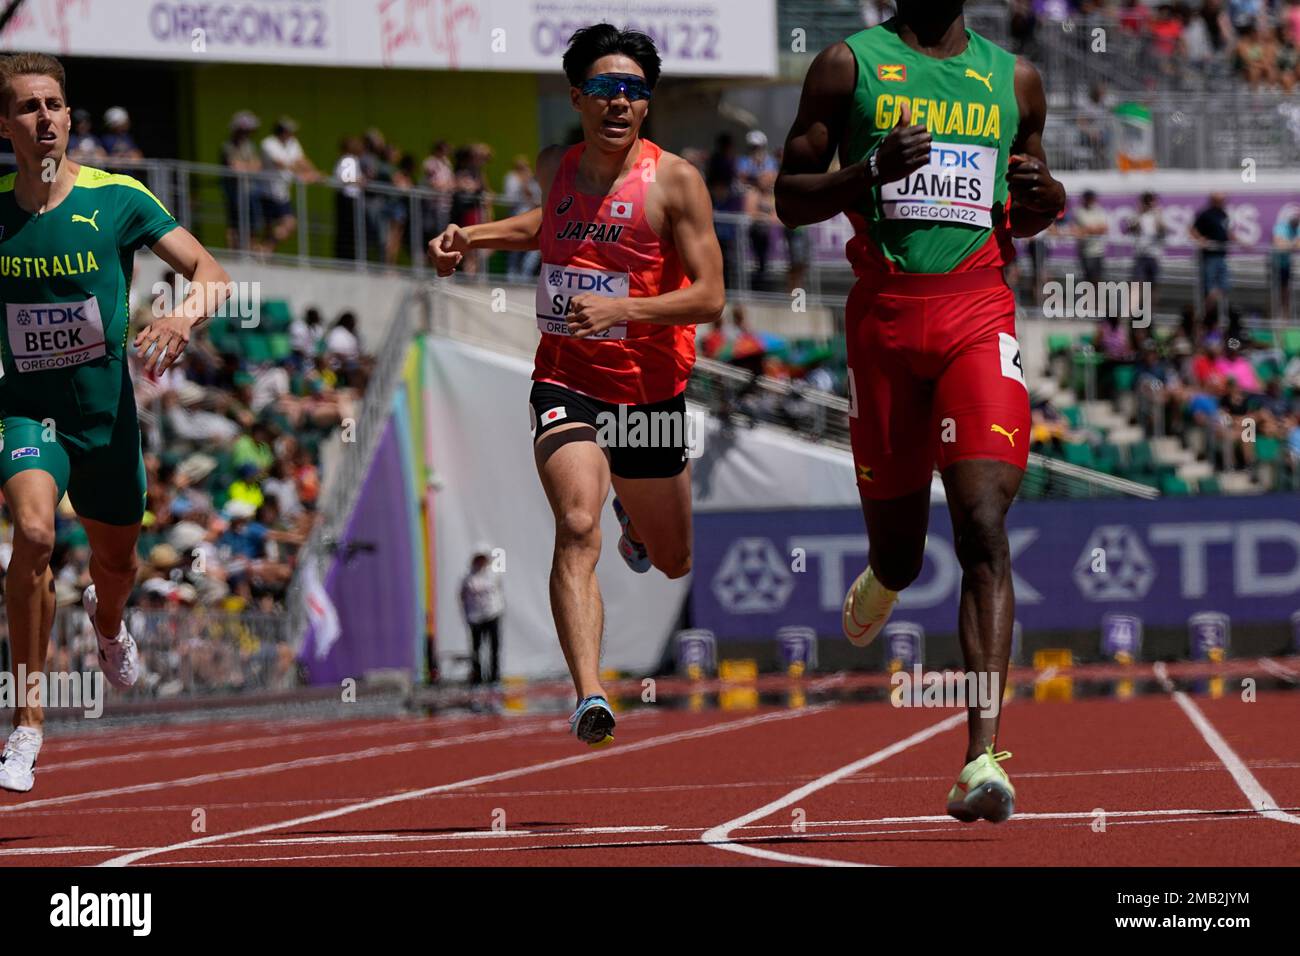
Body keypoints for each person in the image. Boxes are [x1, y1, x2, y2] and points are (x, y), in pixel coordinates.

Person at [775, 0, 1066, 824]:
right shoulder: (847, 65)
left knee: (981, 522)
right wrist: (867, 174)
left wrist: (1052, 195)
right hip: (885, 324)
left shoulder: (1016, 79)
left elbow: (1032, 201)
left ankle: (982, 756)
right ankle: (888, 576)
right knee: (902, 555)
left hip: (978, 313)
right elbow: (788, 200)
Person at [429, 24, 724, 747]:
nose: (618, 102)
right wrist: (474, 236)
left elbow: (712, 295)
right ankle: (590, 692)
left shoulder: (676, 181)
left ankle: (637, 514)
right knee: (576, 525)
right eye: (603, 89)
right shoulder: (554, 164)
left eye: (633, 91)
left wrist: (625, 308)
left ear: (647, 106)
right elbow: (552, 226)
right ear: (577, 98)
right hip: (566, 379)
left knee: (674, 558)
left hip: (649, 396)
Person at [0, 53, 232, 792]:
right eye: (27, 107)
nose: (43, 118)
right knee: (35, 534)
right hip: (28, 412)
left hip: (107, 419)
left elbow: (211, 274)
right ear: (4, 126)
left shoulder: (118, 199)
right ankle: (28, 723)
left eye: (53, 105)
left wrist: (183, 316)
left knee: (116, 568)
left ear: (69, 119)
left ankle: (108, 628)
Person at [258, 116, 319, 254]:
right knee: (272, 226)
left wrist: (314, 172)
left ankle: (264, 250)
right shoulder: (268, 143)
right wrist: (303, 174)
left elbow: (300, 160)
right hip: (267, 191)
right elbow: (280, 163)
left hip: (282, 192)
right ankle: (264, 252)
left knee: (287, 224)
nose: (292, 134)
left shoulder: (292, 143)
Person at [460, 545, 504, 685]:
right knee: (476, 649)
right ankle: (477, 676)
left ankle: (494, 677)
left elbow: (499, 592)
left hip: (492, 614)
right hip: (475, 617)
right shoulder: (468, 577)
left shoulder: (493, 574)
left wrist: (498, 609)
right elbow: (462, 596)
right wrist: (467, 614)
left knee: (494, 647)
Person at [221, 110, 263, 249]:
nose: (247, 133)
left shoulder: (250, 145)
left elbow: (257, 165)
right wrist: (247, 167)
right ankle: (234, 253)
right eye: (244, 130)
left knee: (253, 224)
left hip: (250, 191)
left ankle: (249, 252)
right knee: (234, 224)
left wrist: (246, 168)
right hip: (234, 192)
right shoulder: (228, 146)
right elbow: (235, 167)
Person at [1191, 192, 1234, 320]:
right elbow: (1193, 230)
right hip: (1210, 256)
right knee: (1209, 288)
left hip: (1221, 255)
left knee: (1224, 286)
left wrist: (1242, 242)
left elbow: (1227, 232)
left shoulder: (1223, 215)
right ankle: (1203, 315)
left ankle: (1207, 313)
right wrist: (1201, 240)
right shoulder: (1206, 214)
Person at [1072, 189, 1108, 285]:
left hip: (1099, 250)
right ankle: (1089, 299)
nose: (1090, 200)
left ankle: (1097, 299)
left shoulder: (1099, 210)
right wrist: (1093, 229)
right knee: (1088, 279)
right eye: (1088, 198)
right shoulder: (1079, 211)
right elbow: (1080, 229)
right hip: (1086, 251)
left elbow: (1104, 228)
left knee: (1098, 279)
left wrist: (1089, 230)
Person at [1272, 208, 1299, 319]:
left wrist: (1287, 244)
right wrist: (1292, 244)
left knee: (1286, 292)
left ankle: (1285, 319)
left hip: (1286, 265)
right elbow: (1278, 243)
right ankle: (1274, 316)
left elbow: (1297, 244)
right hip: (1275, 264)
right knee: (1274, 292)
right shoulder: (1281, 227)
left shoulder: (1297, 228)